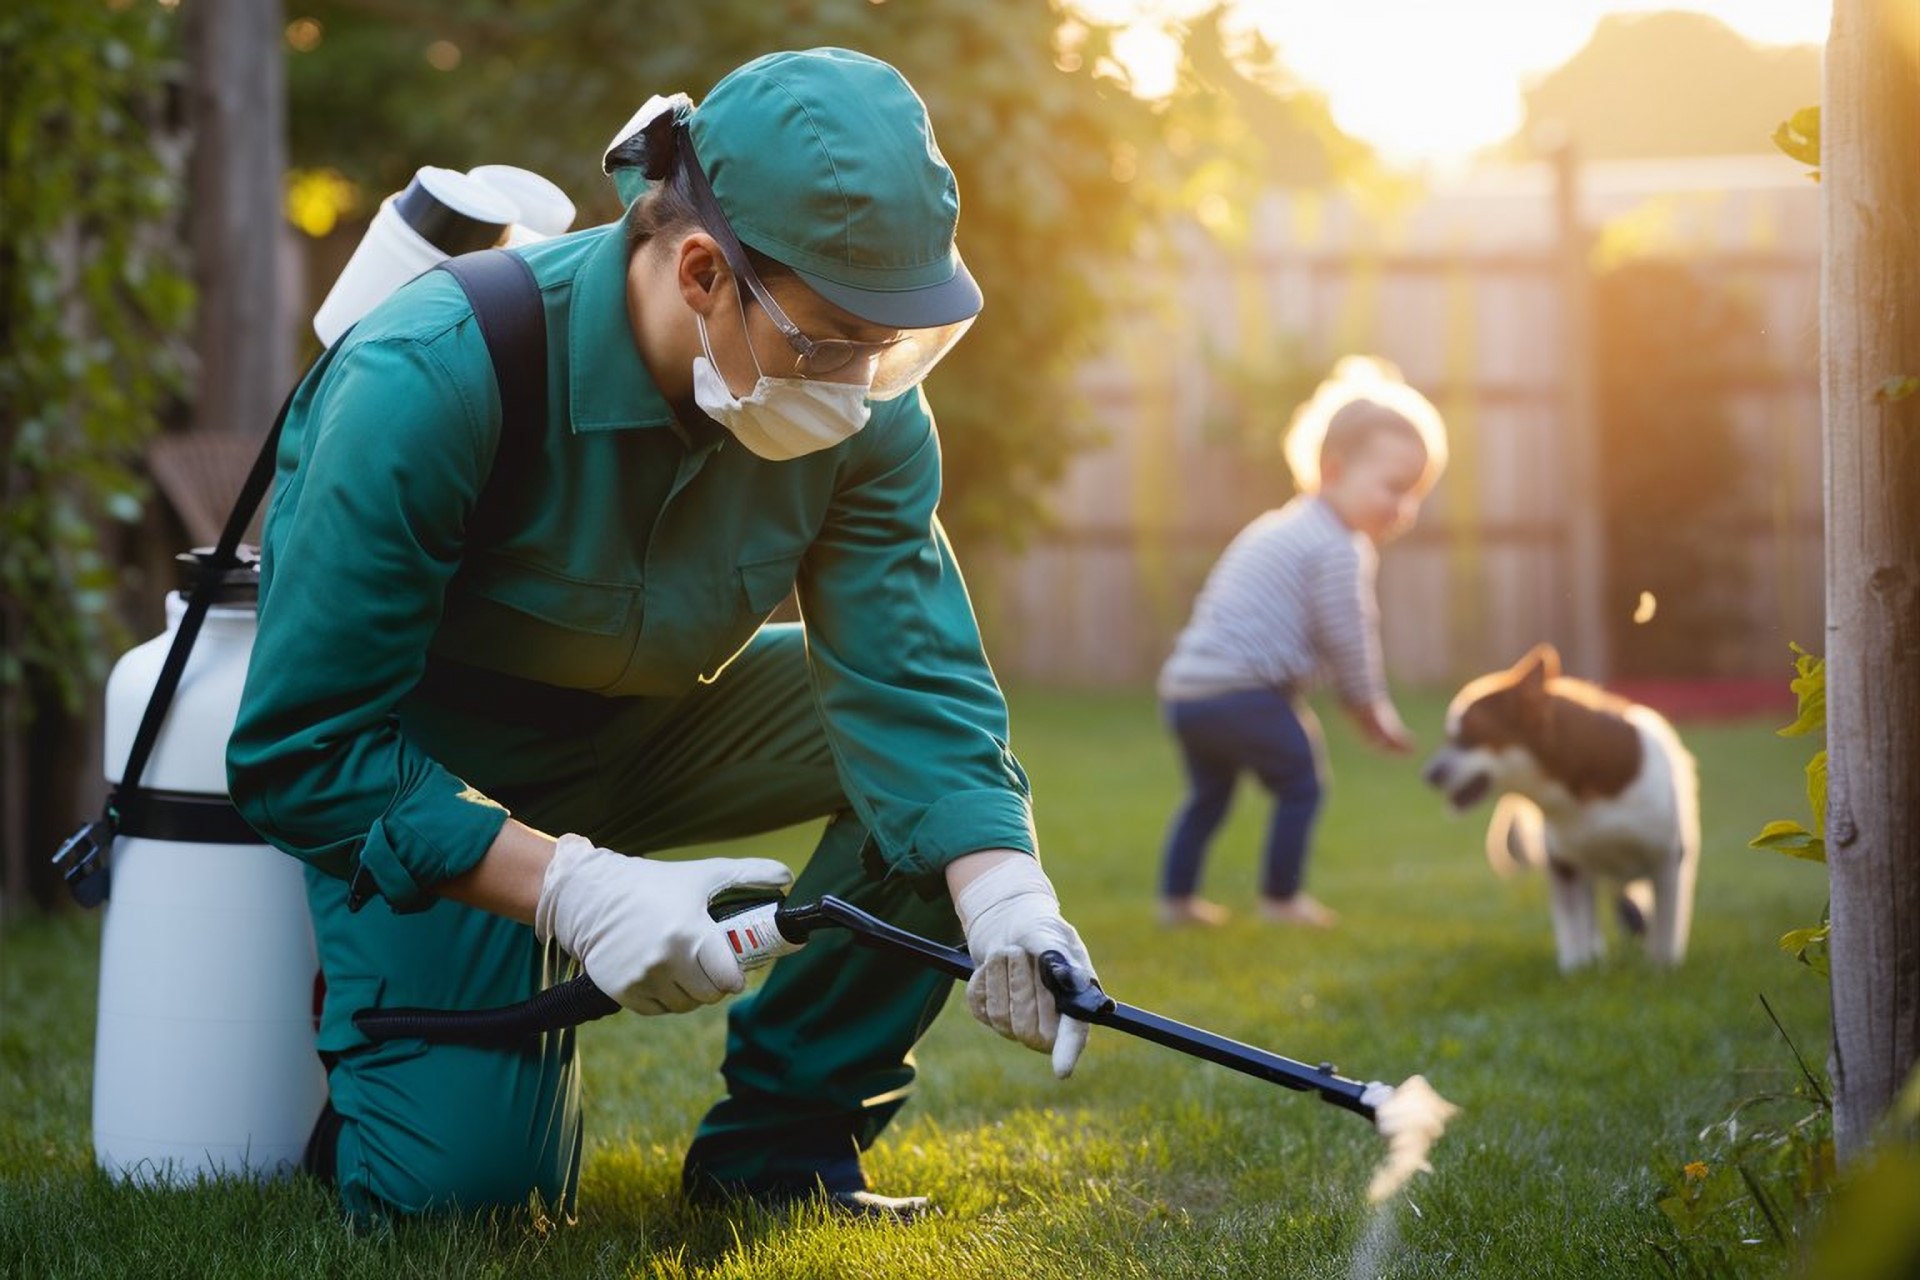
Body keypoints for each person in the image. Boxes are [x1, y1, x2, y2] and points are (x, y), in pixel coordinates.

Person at [227, 48, 1097, 1226]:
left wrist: (1007, 898)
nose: (867, 382)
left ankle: (780, 1148)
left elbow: (916, 688)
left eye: (896, 346)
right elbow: (298, 749)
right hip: (437, 772)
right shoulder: (430, 374)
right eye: (838, 339)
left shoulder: (860, 407)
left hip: (654, 727)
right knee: (469, 1200)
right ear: (701, 271)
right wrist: (576, 889)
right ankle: (400, 1007)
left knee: (943, 799)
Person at [1152, 356, 1447, 928]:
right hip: (1241, 689)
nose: (1403, 508)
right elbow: (1348, 636)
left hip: (1188, 692)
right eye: (1393, 488)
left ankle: (1176, 901)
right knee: (1301, 782)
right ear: (1333, 471)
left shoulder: (1282, 524)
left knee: (1208, 796)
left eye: (1415, 494)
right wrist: (1371, 710)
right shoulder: (1335, 545)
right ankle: (1281, 900)